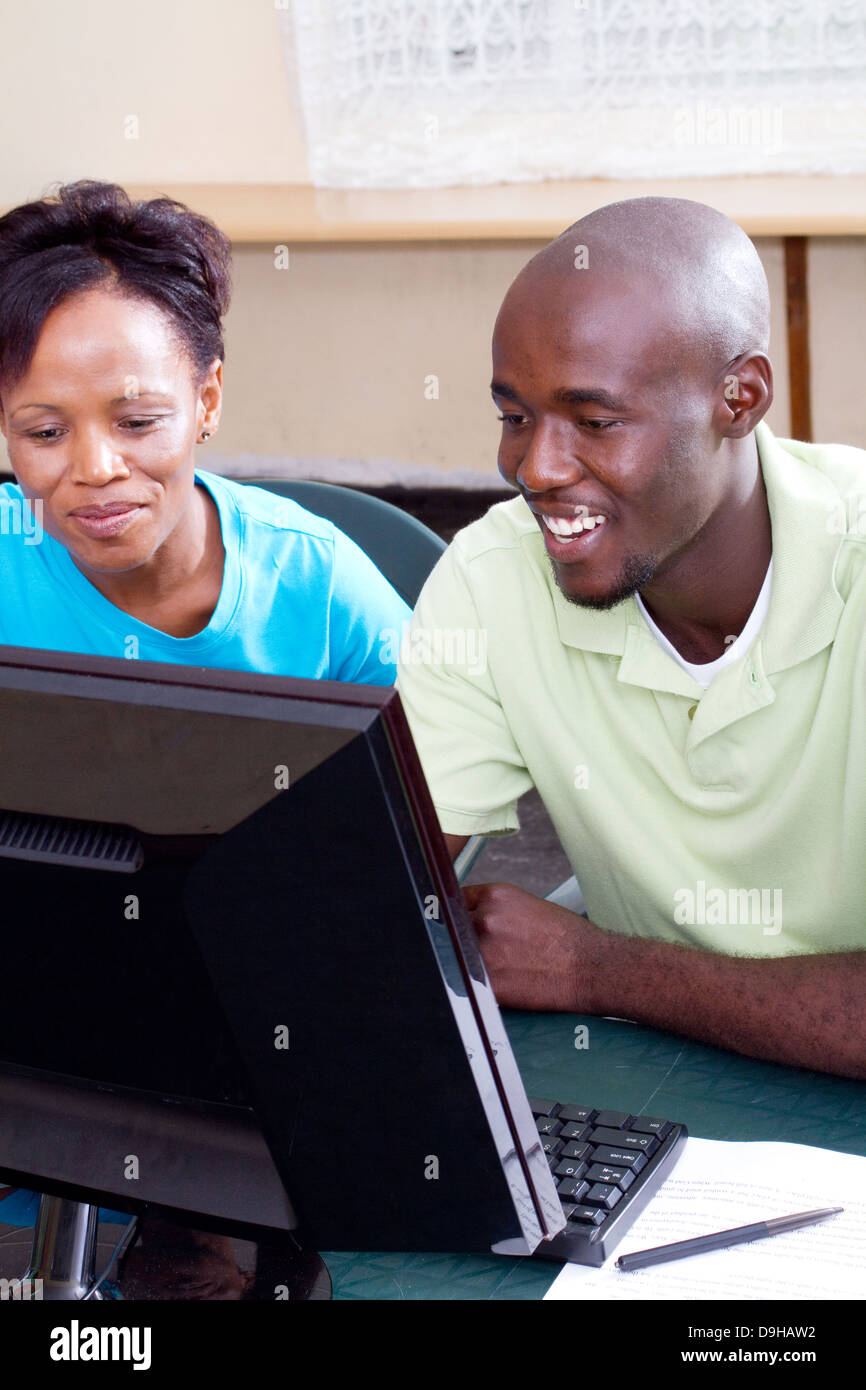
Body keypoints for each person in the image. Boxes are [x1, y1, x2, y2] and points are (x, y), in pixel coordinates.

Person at [0, 179, 410, 1292]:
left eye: (137, 422)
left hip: (262, 1022)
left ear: (207, 396)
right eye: (43, 431)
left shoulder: (318, 584)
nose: (93, 469)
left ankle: (195, 1248)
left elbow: (429, 828)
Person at [396, 196, 866, 1082]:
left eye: (596, 422)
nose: (535, 469)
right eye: (515, 416)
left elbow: (582, 968)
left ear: (741, 397)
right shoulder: (494, 574)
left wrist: (595, 969)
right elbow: (375, 893)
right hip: (652, 1074)